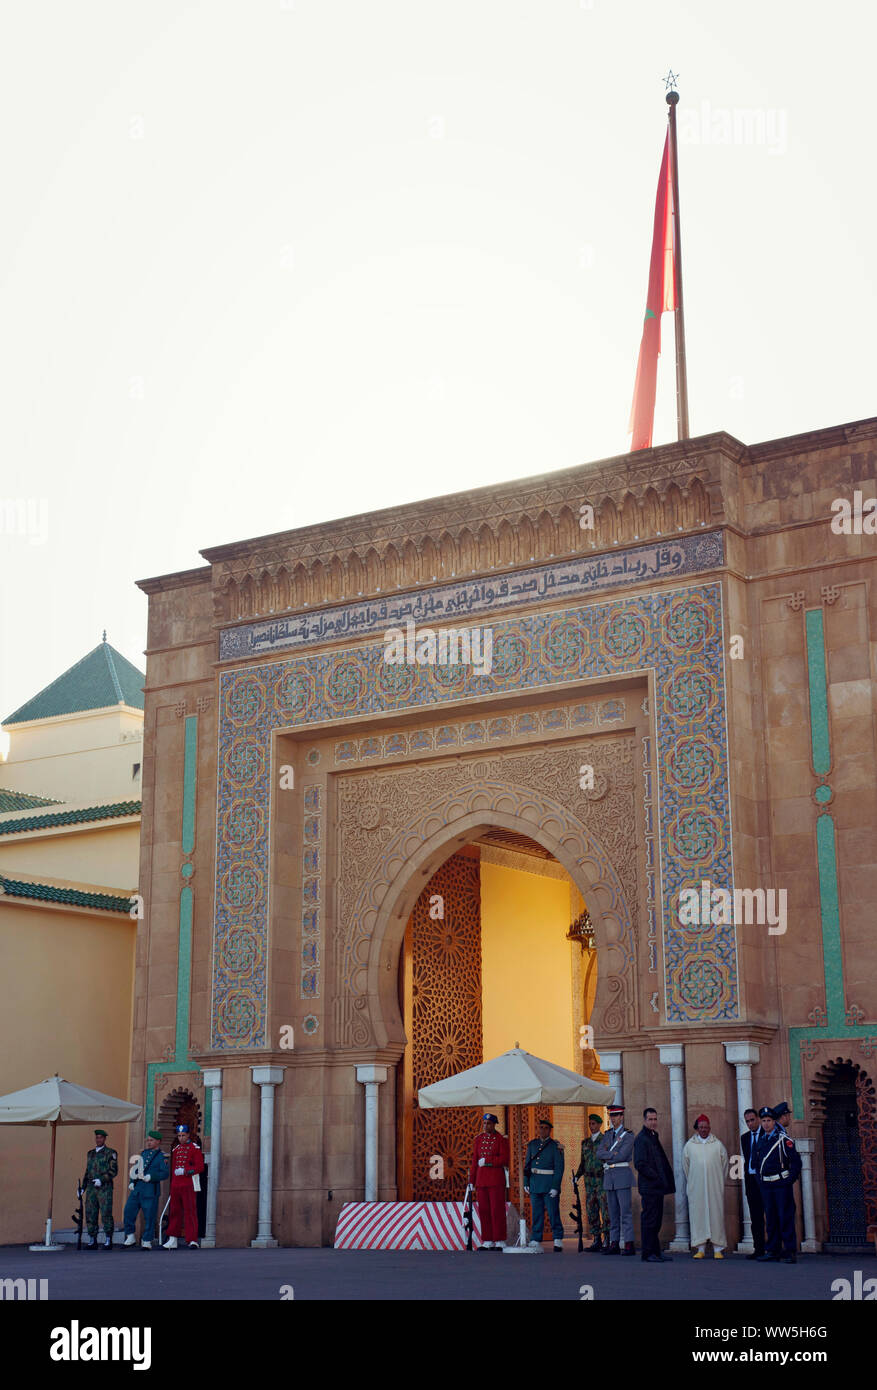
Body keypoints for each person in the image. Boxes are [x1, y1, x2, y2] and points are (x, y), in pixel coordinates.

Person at [754, 1106, 801, 1264]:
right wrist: (760, 1181)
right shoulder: (761, 1140)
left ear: (774, 1122)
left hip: (781, 1184)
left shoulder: (783, 1140)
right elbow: (756, 1162)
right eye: (764, 1121)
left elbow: (795, 1163)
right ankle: (773, 1250)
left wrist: (789, 1180)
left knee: (785, 1217)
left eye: (769, 1121)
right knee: (771, 1218)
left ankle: (789, 1251)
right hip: (766, 1186)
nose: (766, 1124)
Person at [682, 1114, 729, 1258]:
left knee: (716, 1216)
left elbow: (725, 1165)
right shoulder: (690, 1146)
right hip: (697, 1188)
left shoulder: (717, 1145)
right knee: (698, 1216)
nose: (703, 1130)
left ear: (710, 1128)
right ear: (697, 1129)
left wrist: (719, 1181)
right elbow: (686, 1167)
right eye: (701, 1127)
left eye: (706, 1127)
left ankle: (718, 1249)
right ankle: (700, 1248)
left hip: (714, 1187)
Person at [633, 1106, 675, 1263]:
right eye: (650, 1119)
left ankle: (656, 1251)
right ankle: (647, 1253)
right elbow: (640, 1164)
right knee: (649, 1220)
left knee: (656, 1220)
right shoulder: (641, 1139)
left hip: (657, 1187)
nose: (653, 1122)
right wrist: (656, 1177)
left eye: (655, 1119)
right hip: (649, 1187)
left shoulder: (653, 1136)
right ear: (644, 1120)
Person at [595, 1103, 635, 1255]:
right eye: (611, 1115)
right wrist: (613, 1155)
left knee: (625, 1211)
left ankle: (629, 1243)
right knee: (612, 1212)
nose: (613, 1118)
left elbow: (624, 1155)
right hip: (609, 1177)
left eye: (616, 1115)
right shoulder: (607, 1134)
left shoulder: (628, 1135)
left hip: (622, 1175)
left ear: (621, 1116)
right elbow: (599, 1153)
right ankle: (614, 1243)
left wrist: (608, 1156)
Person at [468, 1113, 510, 1251]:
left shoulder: (500, 1139)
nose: (486, 1126)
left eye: (489, 1123)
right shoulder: (478, 1139)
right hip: (481, 1180)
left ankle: (499, 1239)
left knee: (497, 1210)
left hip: (495, 1179)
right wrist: (471, 1181)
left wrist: (488, 1161)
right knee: (484, 1211)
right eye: (484, 1123)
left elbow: (504, 1159)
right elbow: (474, 1162)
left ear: (494, 1124)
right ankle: (487, 1240)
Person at [123, 1130, 169, 1249]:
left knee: (149, 1216)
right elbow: (136, 1169)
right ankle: (130, 1236)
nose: (149, 1142)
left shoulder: (161, 1156)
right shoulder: (143, 1154)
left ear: (158, 1141)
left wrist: (152, 1177)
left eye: (151, 1140)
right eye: (148, 1140)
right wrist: (132, 1182)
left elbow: (164, 1173)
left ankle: (147, 1240)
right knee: (128, 1211)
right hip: (138, 1188)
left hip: (150, 1190)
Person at [524, 1118, 565, 1251]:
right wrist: (526, 1181)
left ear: (550, 1130)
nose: (542, 1130)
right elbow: (527, 1166)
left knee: (553, 1212)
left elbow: (559, 1168)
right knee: (536, 1213)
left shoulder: (555, 1146)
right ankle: (536, 1238)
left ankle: (557, 1238)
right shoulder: (532, 1145)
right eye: (541, 1127)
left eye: (545, 1128)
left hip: (549, 1184)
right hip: (535, 1182)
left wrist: (555, 1186)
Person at [161, 1123, 205, 1250]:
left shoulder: (194, 1148)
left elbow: (200, 1167)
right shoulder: (176, 1149)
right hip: (176, 1185)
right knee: (174, 1212)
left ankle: (192, 1239)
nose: (181, 1138)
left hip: (188, 1184)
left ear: (188, 1135)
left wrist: (186, 1171)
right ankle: (173, 1238)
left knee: (190, 1211)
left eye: (183, 1135)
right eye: (179, 1135)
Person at [574, 1112, 610, 1252]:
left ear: (600, 1124)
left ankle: (607, 1237)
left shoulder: (605, 1141)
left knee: (605, 1209)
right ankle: (596, 1239)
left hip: (601, 1179)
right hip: (589, 1181)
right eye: (590, 1124)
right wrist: (577, 1176)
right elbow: (583, 1163)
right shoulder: (585, 1143)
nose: (591, 1126)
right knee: (591, 1210)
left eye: (594, 1124)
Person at [83, 1128, 118, 1250]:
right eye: (97, 1137)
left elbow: (113, 1171)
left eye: (101, 1137)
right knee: (90, 1213)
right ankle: (92, 1239)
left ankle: (108, 1239)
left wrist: (102, 1180)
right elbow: (87, 1171)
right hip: (92, 1188)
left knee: (105, 1213)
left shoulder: (110, 1153)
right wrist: (82, 1188)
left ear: (104, 1139)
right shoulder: (90, 1153)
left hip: (104, 1189)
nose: (98, 1139)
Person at [741, 1107, 766, 1260]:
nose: (750, 1124)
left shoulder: (767, 1135)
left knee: (770, 1214)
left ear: (758, 1119)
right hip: (751, 1181)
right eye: (747, 1121)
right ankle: (759, 1248)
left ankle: (773, 1247)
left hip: (765, 1180)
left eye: (752, 1120)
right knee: (755, 1217)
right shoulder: (744, 1138)